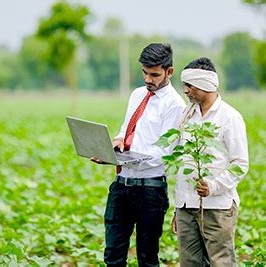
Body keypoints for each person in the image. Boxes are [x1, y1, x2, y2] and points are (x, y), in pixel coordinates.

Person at [91, 43, 186, 266]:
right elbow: (126, 130)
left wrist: (131, 156)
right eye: (144, 73)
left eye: (154, 75)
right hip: (121, 184)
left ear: (169, 72)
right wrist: (114, 145)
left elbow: (165, 152)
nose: (148, 79)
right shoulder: (137, 95)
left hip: (150, 190)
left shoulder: (175, 105)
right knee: (112, 255)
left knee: (147, 257)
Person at [172, 57, 249, 266]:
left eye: (189, 85)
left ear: (205, 84)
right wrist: (177, 208)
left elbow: (240, 163)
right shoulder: (187, 116)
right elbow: (182, 161)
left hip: (218, 207)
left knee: (220, 262)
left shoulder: (229, 117)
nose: (185, 91)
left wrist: (213, 186)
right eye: (184, 85)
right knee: (189, 263)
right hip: (186, 205)